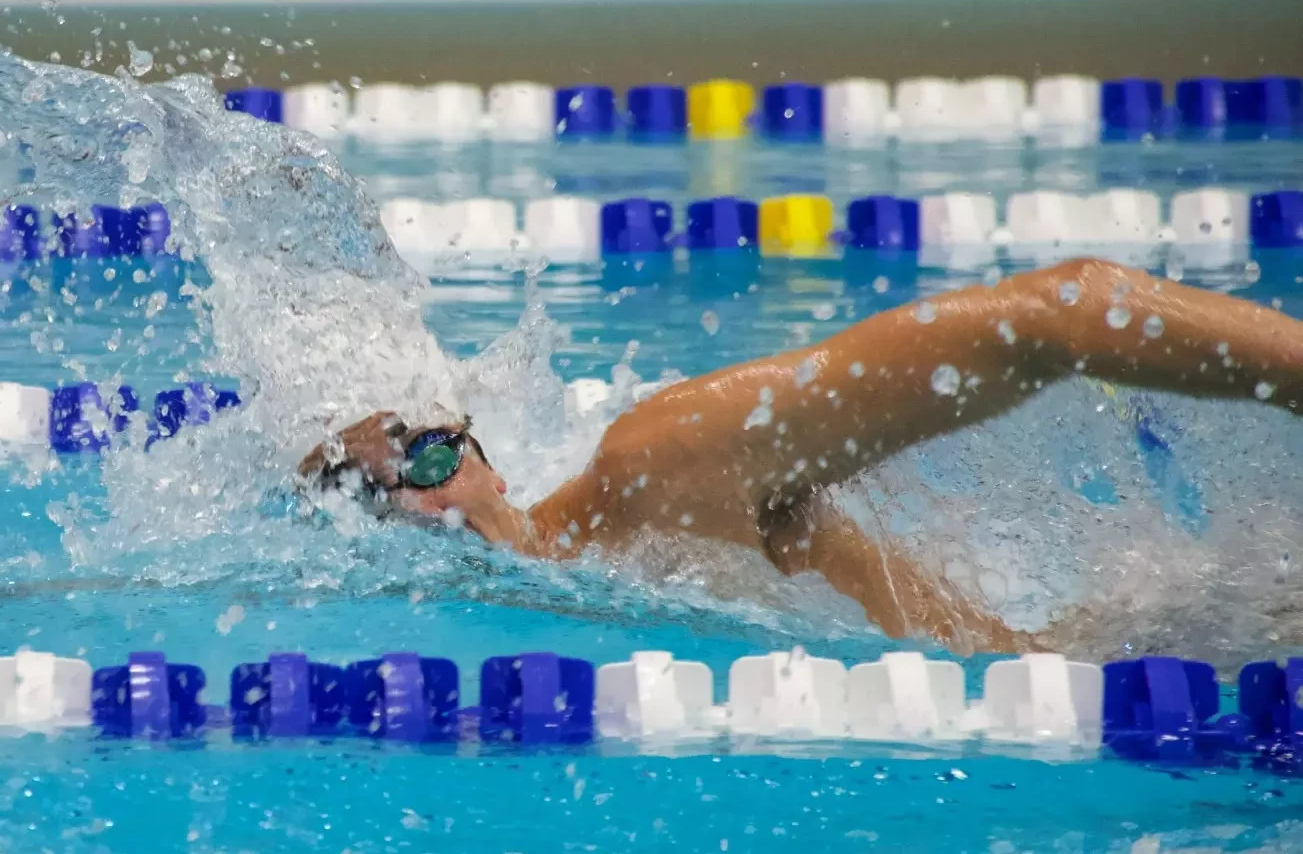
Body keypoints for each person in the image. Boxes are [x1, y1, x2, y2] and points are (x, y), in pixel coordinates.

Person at [297, 259, 1303, 655]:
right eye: (376, 496)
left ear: (486, 458)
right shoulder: (558, 616)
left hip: (1158, 647)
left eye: (428, 460)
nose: (422, 506)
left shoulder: (657, 466)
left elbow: (1061, 312)